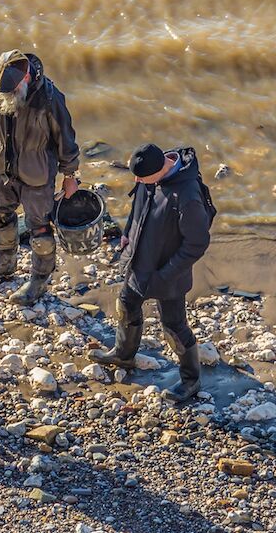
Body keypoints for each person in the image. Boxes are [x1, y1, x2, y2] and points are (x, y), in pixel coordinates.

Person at [90, 144, 211, 402]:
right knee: (126, 304)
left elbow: (197, 244)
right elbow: (139, 206)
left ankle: (191, 380)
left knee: (175, 328)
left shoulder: (187, 197)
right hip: (138, 261)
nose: (136, 180)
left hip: (169, 276)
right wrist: (127, 234)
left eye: (141, 177)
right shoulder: (152, 175)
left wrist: (165, 274)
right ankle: (123, 355)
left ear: (159, 170)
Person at [0, 49, 80, 305]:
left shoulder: (49, 97)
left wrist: (70, 175)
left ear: (25, 78)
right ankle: (4, 261)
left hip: (37, 171)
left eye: (10, 92)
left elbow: (66, 139)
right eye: (1, 92)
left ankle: (40, 278)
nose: (4, 96)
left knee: (39, 227)